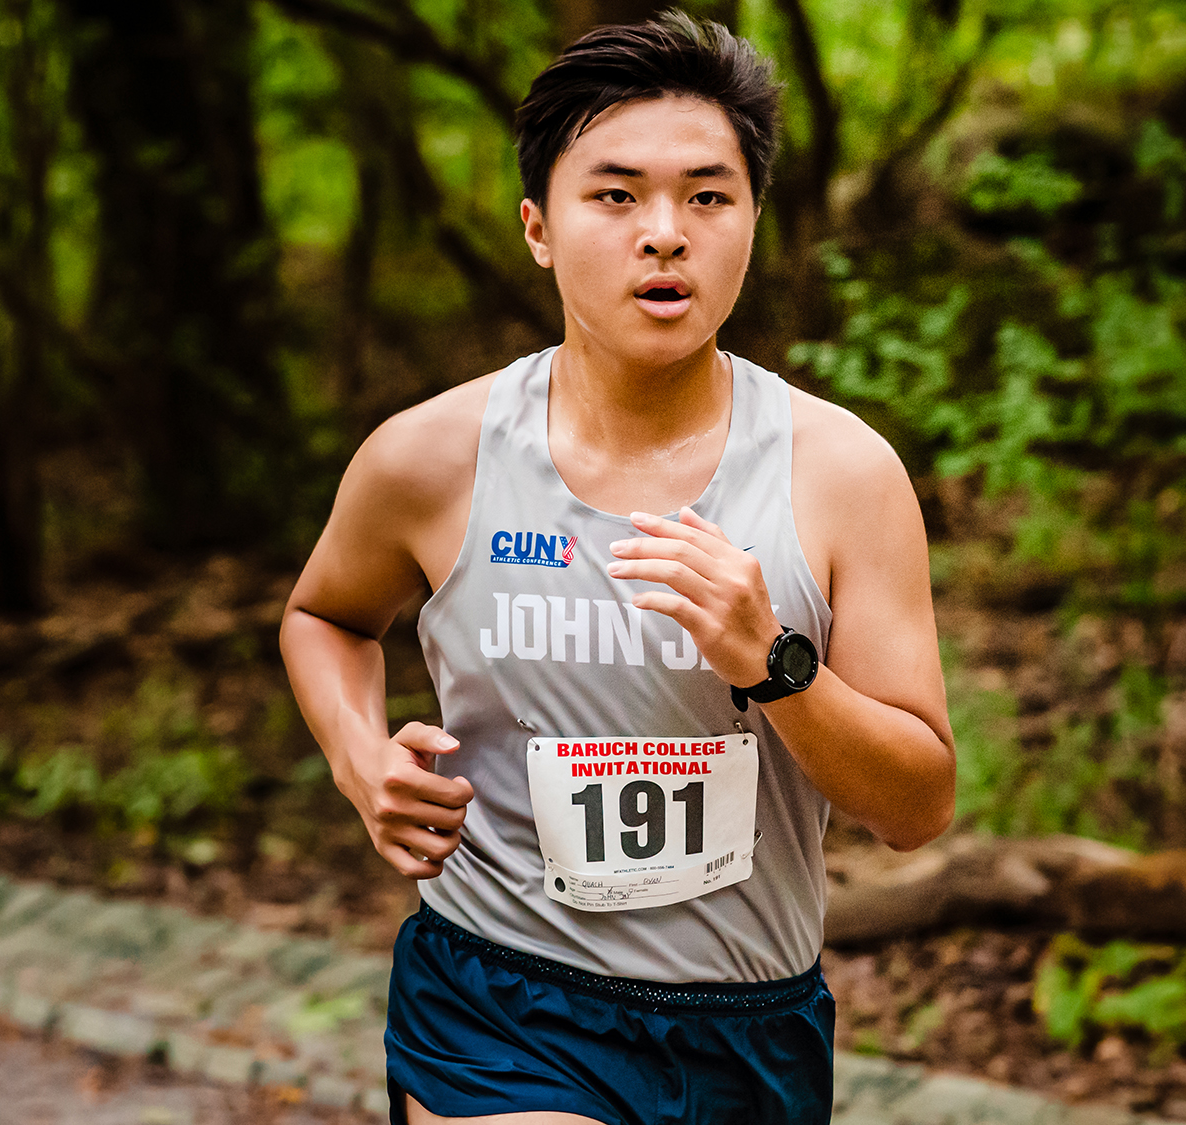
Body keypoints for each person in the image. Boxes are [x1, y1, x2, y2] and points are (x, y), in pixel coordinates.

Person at [281, 12, 953, 1124]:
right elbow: (324, 615)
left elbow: (917, 806)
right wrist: (362, 764)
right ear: (538, 228)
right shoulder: (432, 456)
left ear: (749, 223)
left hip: (752, 1021)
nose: (663, 234)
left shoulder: (841, 474)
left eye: (705, 196)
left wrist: (774, 665)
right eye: (615, 195)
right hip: (499, 1002)